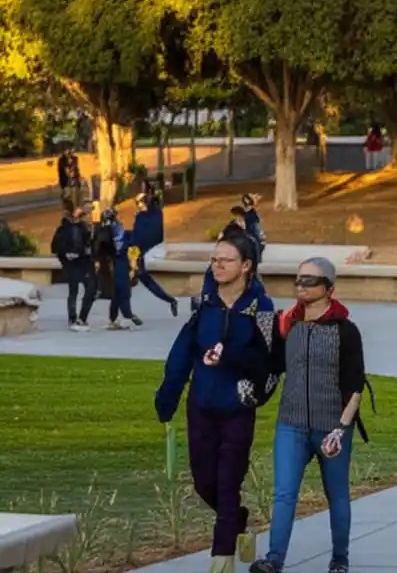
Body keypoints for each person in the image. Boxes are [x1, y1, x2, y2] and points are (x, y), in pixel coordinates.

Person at [155, 234, 276, 573]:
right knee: (204, 483)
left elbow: (269, 362)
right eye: (215, 259)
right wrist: (167, 398)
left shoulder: (261, 308)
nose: (218, 265)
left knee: (227, 484)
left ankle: (221, 562)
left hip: (237, 409)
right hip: (201, 407)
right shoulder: (204, 304)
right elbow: (181, 354)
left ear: (246, 266)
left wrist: (231, 357)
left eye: (227, 259)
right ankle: (238, 521)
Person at [250, 258, 366, 573]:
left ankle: (339, 559)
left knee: (337, 493)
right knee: (284, 493)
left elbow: (356, 385)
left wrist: (341, 429)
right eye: (298, 280)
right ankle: (274, 559)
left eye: (310, 281)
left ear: (329, 288)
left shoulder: (346, 331)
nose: (301, 286)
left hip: (332, 425)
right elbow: (271, 366)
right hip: (291, 424)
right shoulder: (288, 325)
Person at [132, 192, 180, 317]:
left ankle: (122, 315)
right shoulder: (158, 214)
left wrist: (134, 252)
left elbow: (137, 236)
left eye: (139, 203)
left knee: (141, 280)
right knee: (147, 280)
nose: (138, 205)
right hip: (153, 250)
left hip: (141, 252)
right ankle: (170, 300)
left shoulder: (141, 217)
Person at [51, 205, 95, 331]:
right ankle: (78, 317)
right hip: (79, 263)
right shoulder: (81, 228)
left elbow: (54, 247)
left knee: (74, 291)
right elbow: (87, 247)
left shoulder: (63, 229)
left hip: (73, 263)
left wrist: (65, 257)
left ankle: (74, 317)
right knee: (83, 290)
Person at [100, 208, 142, 330]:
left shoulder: (111, 229)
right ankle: (127, 315)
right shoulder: (112, 230)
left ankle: (115, 318)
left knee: (118, 292)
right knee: (122, 289)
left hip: (118, 262)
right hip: (117, 262)